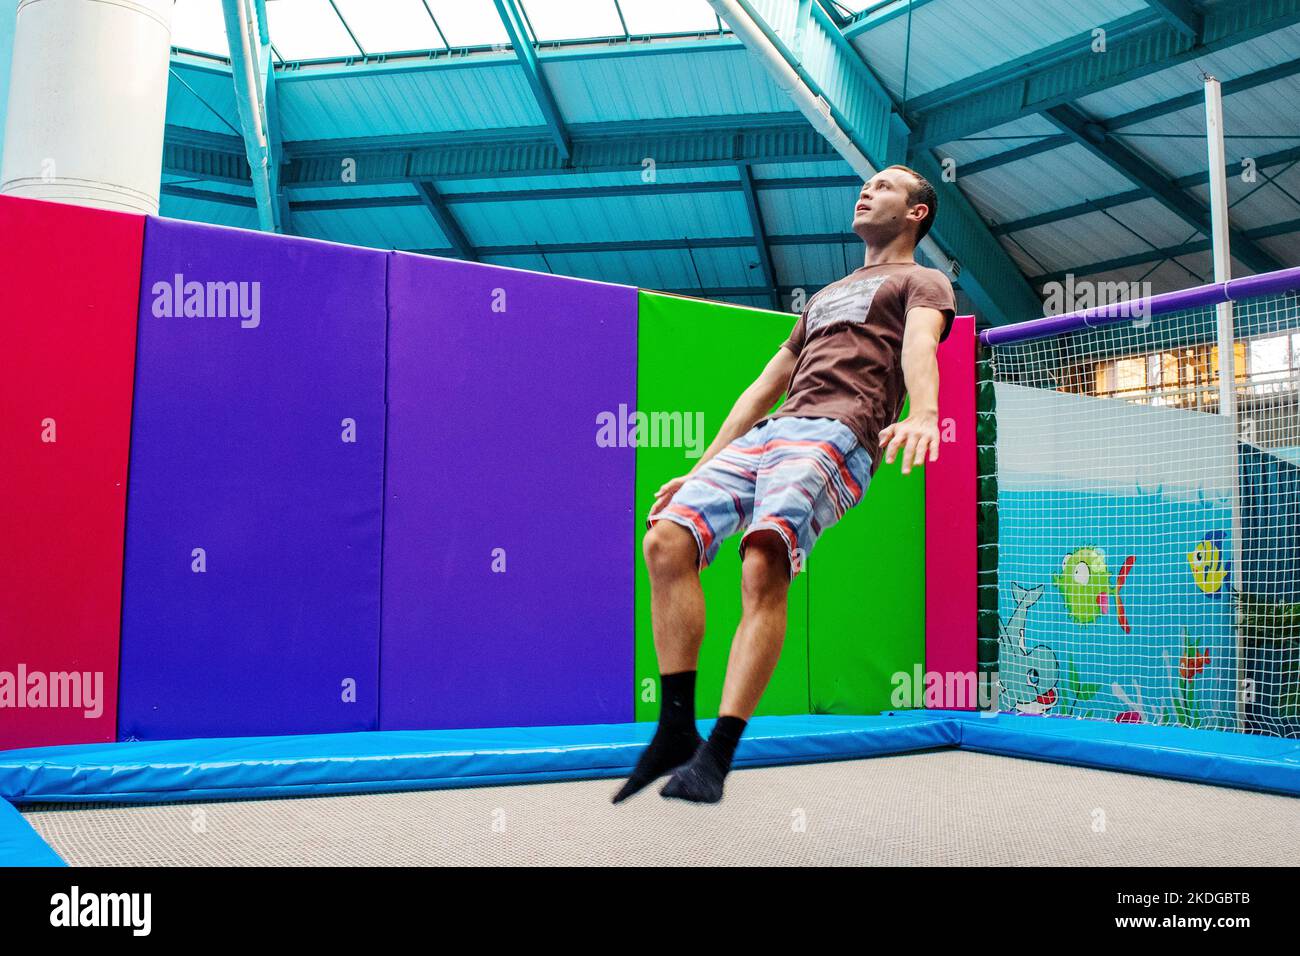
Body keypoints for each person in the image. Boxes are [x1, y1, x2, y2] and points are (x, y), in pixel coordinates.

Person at [613, 164, 957, 805]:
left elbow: (921, 347)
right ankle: (676, 729)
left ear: (916, 213)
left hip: (840, 431)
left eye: (886, 186)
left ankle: (717, 755)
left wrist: (927, 413)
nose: (868, 190)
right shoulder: (824, 295)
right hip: (770, 431)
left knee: (763, 556)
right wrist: (703, 463)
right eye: (867, 184)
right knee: (664, 542)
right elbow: (764, 385)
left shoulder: (923, 280)